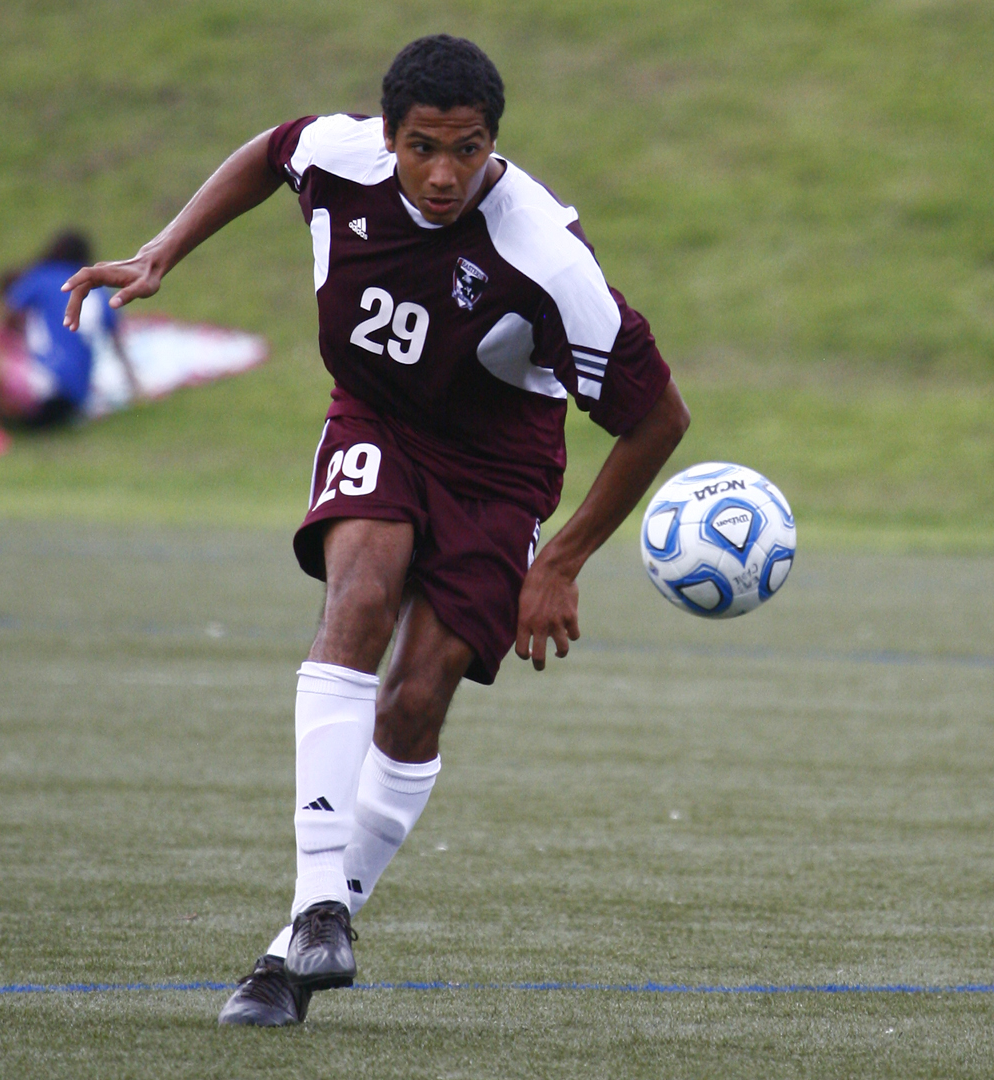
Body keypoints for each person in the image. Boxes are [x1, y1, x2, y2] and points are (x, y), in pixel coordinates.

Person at [60, 35, 689, 1027]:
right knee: (357, 597)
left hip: (498, 471)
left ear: (494, 144)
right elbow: (271, 151)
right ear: (387, 135)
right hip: (377, 420)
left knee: (415, 700)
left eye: (468, 150)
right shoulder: (338, 155)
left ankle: (289, 957)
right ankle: (319, 904)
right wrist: (162, 249)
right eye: (423, 147)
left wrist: (562, 560)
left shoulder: (547, 258)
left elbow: (658, 420)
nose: (444, 174)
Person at [0, 230, 133, 462]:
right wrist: (134, 384)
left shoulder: (42, 277)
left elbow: (1, 321)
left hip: (44, 386)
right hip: (74, 402)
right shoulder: (98, 290)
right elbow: (118, 341)